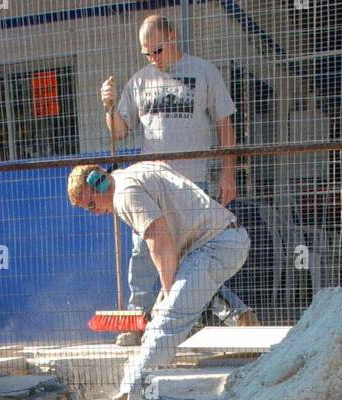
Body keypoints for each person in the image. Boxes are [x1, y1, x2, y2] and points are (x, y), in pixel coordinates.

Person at [100, 11, 254, 343]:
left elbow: (225, 125)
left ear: (172, 38)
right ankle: (135, 322)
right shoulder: (139, 81)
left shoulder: (203, 72)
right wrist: (109, 108)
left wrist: (229, 174)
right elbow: (120, 131)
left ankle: (231, 314)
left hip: (191, 187)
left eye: (157, 50)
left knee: (194, 259)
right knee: (142, 254)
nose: (152, 59)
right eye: (146, 53)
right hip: (148, 187)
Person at [67, 160, 250, 400]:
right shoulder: (136, 172)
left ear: (98, 183)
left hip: (215, 245)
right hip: (218, 240)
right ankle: (245, 322)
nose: (95, 213)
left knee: (166, 320)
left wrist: (168, 294)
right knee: (176, 302)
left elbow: (160, 242)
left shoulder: (124, 193)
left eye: (91, 205)